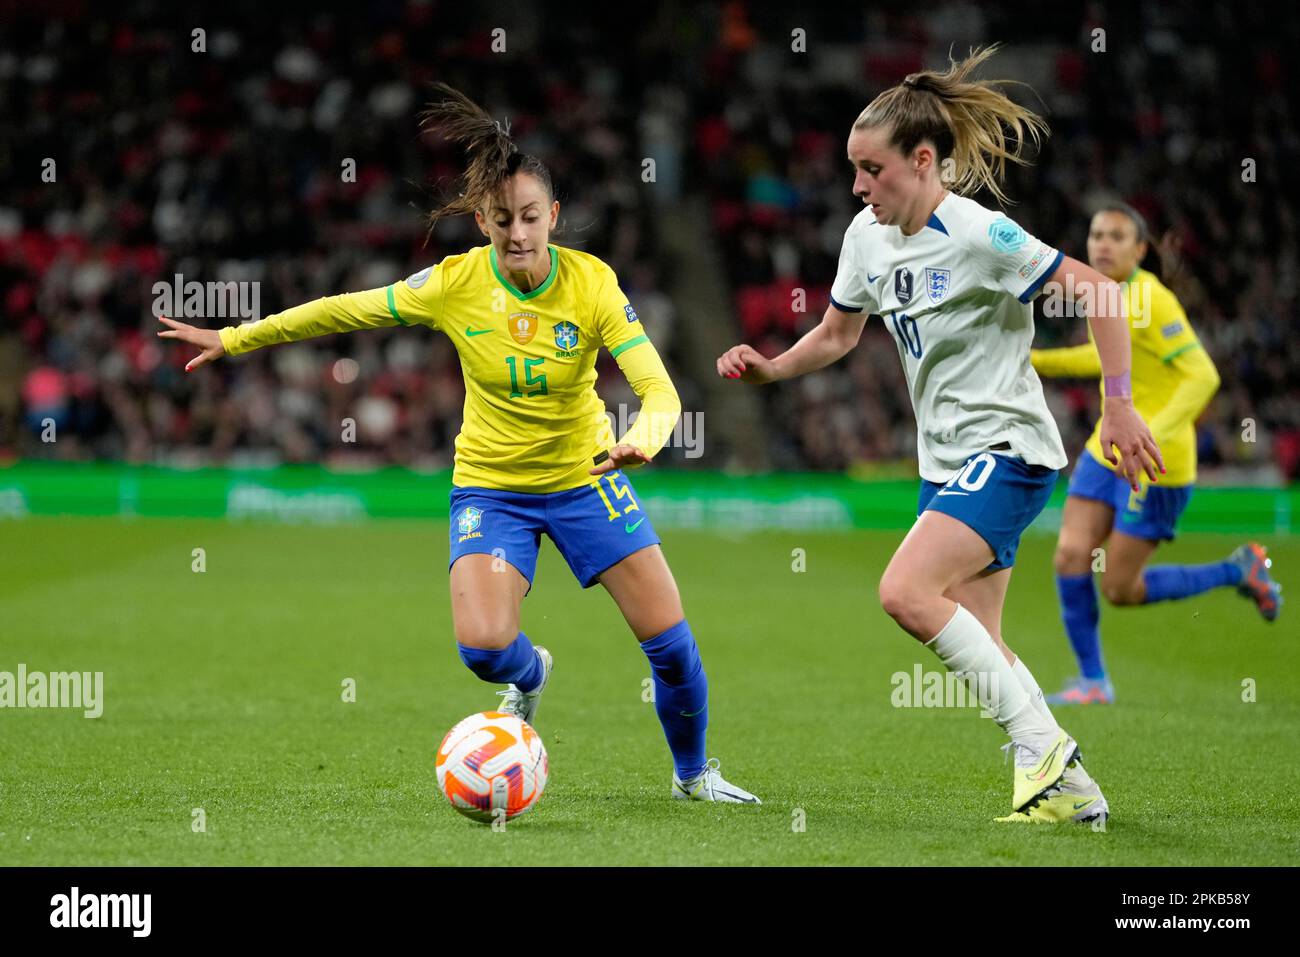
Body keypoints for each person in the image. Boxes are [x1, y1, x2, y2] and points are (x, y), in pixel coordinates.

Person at [158, 84, 760, 806]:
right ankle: (530, 673)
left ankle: (693, 775)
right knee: (482, 649)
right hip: (491, 486)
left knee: (670, 646)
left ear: (554, 218)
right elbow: (344, 310)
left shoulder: (593, 283)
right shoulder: (455, 281)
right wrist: (234, 336)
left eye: (531, 218)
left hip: (587, 477)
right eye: (502, 220)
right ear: (483, 220)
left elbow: (660, 390)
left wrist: (644, 439)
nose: (517, 234)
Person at [717, 46, 1163, 825]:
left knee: (903, 590)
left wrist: (1117, 404)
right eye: (854, 169)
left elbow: (1101, 293)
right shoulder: (866, 236)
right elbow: (837, 334)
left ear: (923, 160)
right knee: (983, 644)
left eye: (872, 169)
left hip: (1010, 451)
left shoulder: (978, 234)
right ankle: (1070, 790)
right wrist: (773, 369)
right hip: (946, 464)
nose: (858, 186)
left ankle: (1045, 751)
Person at [1033, 202, 1281, 706]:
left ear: (1140, 249)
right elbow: (1101, 356)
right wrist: (1033, 359)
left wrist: (1148, 431)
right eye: (1096, 234)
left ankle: (1238, 570)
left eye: (1117, 236)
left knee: (1120, 589)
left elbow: (1202, 376)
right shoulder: (1106, 295)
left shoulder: (1153, 298)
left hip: (1156, 462)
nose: (1102, 244)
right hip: (1106, 451)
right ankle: (1093, 682)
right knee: (1070, 555)